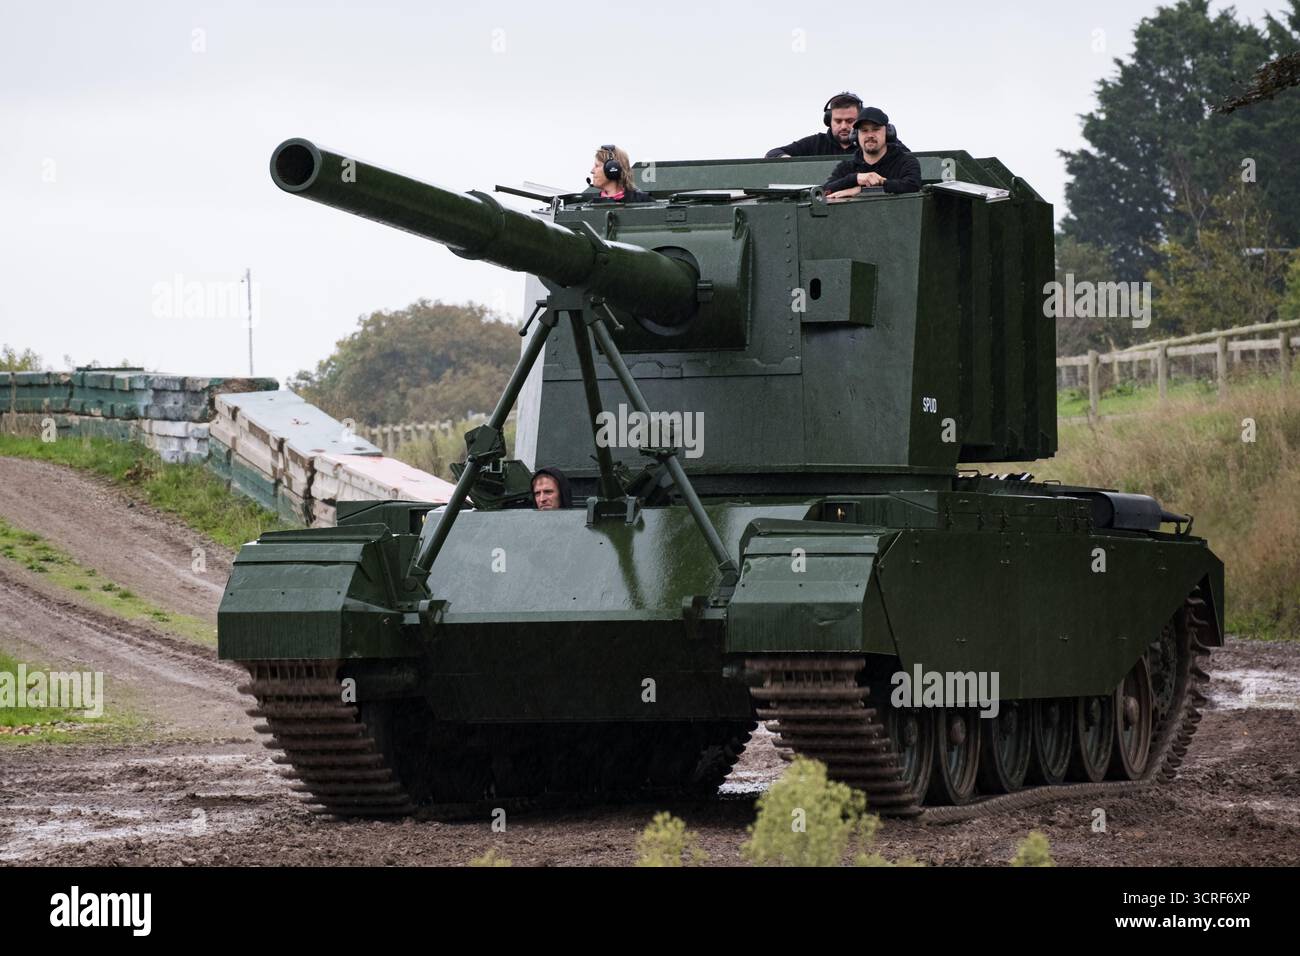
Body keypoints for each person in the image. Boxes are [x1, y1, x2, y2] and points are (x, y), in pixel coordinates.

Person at [765, 92, 908, 158]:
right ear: (829, 121)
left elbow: (915, 163)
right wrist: (787, 161)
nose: (844, 126)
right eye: (838, 121)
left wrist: (890, 139)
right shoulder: (815, 144)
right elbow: (772, 154)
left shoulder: (876, 141)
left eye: (850, 121)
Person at [822, 107, 921, 198]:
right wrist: (856, 179)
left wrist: (861, 190)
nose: (870, 135)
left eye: (876, 129)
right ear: (856, 135)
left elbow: (913, 186)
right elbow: (824, 191)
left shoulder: (906, 162)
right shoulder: (846, 168)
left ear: (888, 132)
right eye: (864, 130)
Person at [588, 145, 652, 203]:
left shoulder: (643, 201)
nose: (592, 171)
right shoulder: (591, 205)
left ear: (612, 168)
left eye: (597, 166)